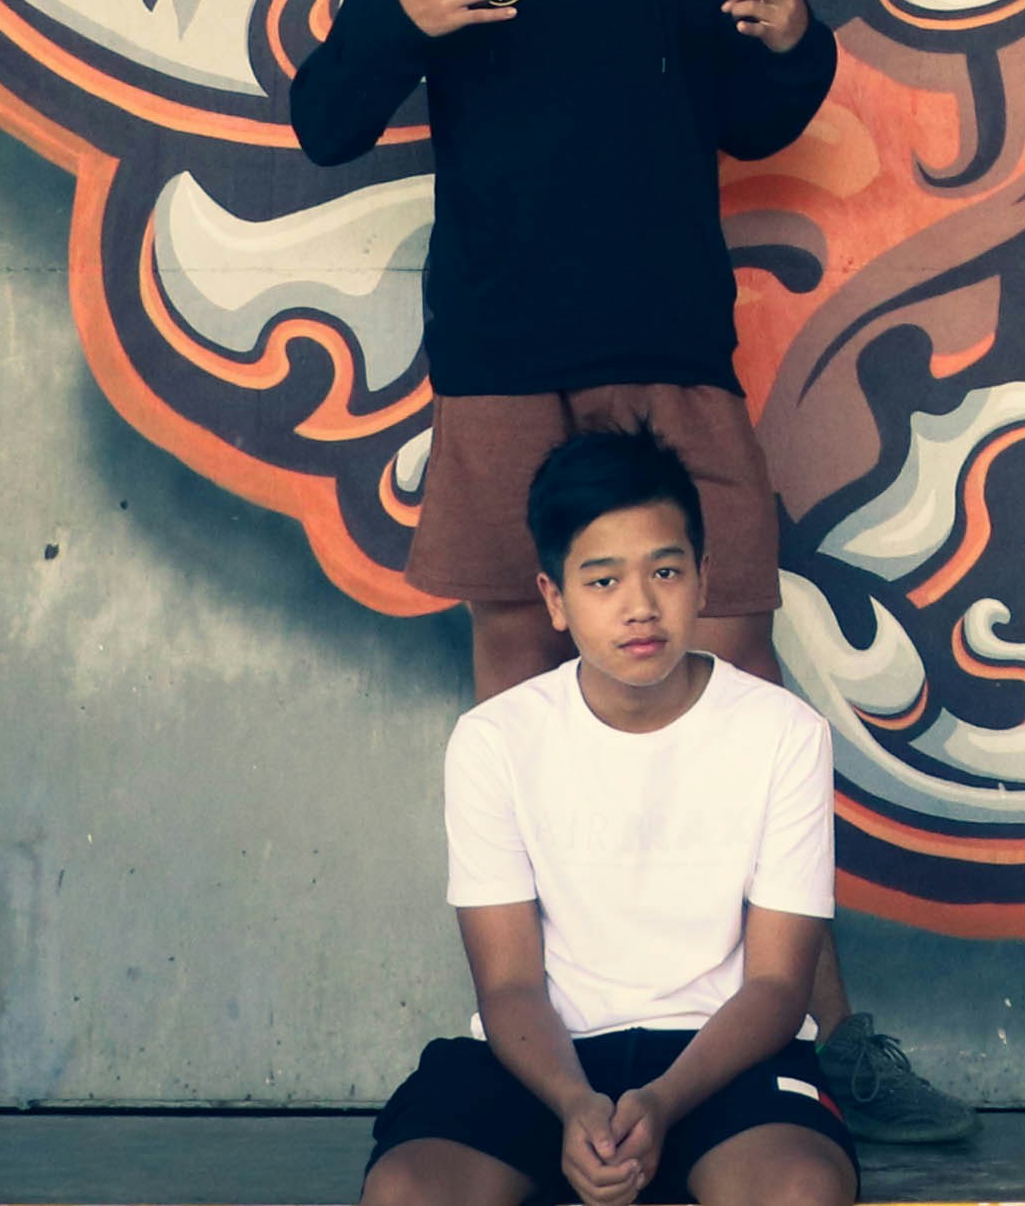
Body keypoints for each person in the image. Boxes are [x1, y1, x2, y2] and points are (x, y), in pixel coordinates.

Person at [295, 0, 972, 1146]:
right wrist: (406, 19)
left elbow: (758, 114)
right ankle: (533, 1052)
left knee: (740, 687)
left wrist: (797, 37)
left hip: (671, 340)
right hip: (503, 352)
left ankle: (826, 1040)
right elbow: (326, 116)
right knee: (521, 709)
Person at [362, 428, 853, 1206]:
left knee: (800, 1191)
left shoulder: (785, 733)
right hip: (544, 1062)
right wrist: (573, 1104)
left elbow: (776, 985)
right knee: (405, 1193)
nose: (640, 607)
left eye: (666, 571)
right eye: (602, 581)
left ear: (704, 579)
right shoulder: (495, 740)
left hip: (720, 1059)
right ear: (555, 599)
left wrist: (661, 1101)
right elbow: (509, 983)